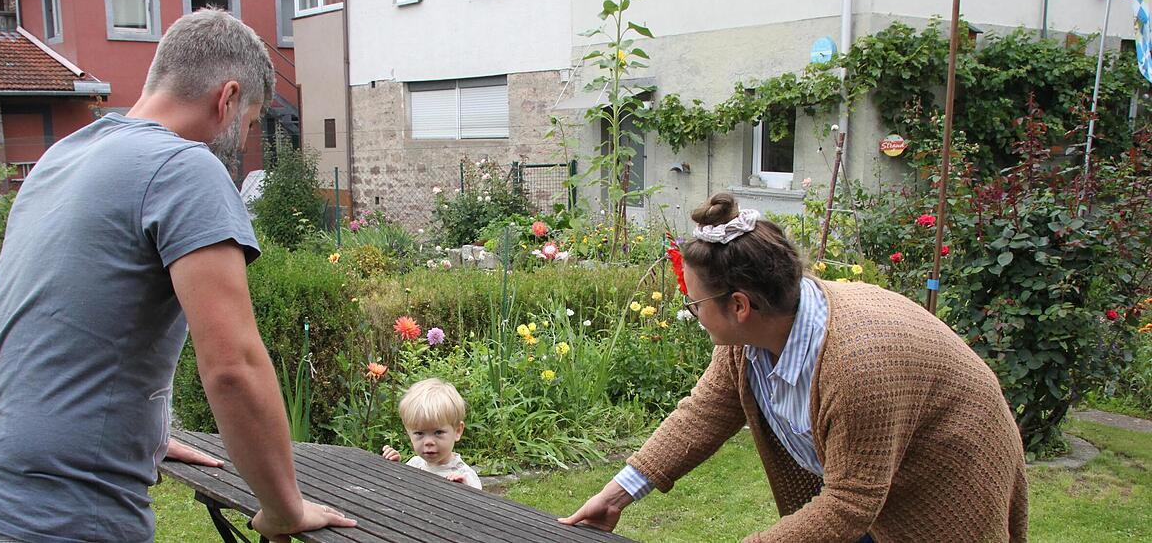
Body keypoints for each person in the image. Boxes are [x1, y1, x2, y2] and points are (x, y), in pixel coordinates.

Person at [0, 9, 356, 543]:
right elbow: (232, 367)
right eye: (252, 123)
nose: (245, 141)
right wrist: (284, 508)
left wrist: (141, 433)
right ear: (228, 99)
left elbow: (55, 325)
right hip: (65, 509)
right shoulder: (184, 167)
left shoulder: (63, 157)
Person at [560, 193, 1028, 542]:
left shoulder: (857, 365)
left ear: (739, 305)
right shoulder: (750, 340)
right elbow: (704, 412)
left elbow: (849, 504)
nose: (692, 312)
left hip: (948, 478)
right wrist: (616, 495)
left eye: (694, 302)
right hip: (871, 480)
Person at [381, 378, 483, 489]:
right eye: (419, 433)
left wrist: (465, 489)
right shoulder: (414, 464)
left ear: (457, 431)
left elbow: (479, 500)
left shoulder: (465, 475)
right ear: (408, 433)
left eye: (438, 432)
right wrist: (396, 467)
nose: (428, 442)